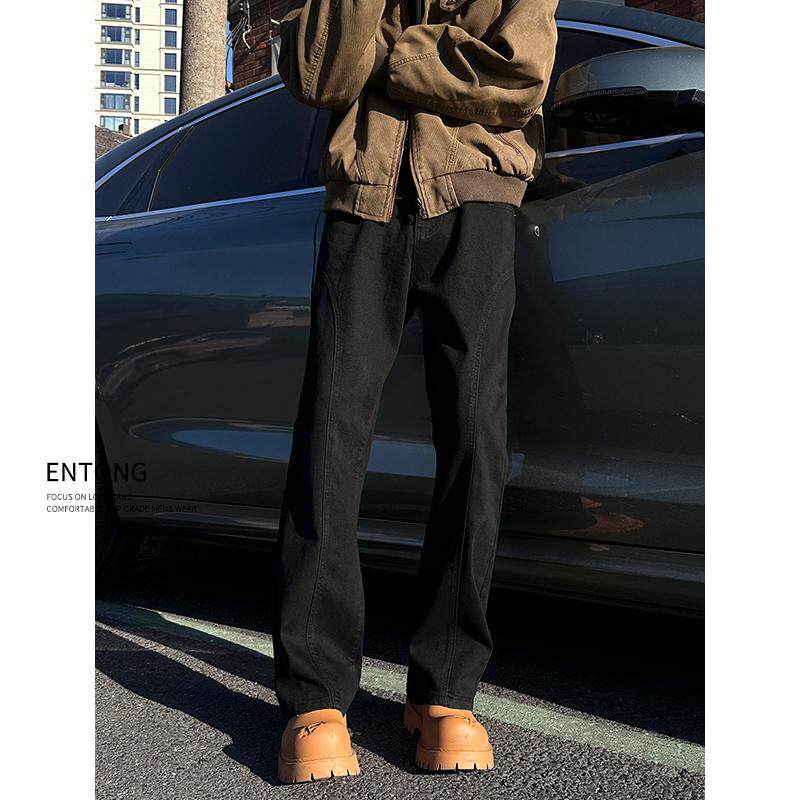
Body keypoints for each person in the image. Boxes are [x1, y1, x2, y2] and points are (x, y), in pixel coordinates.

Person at [272, 0, 558, 783]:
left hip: (477, 204)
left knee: (474, 438)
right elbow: (319, 75)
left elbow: (520, 76)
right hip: (362, 201)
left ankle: (446, 692)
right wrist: (437, 52)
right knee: (329, 437)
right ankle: (315, 696)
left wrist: (396, 56)